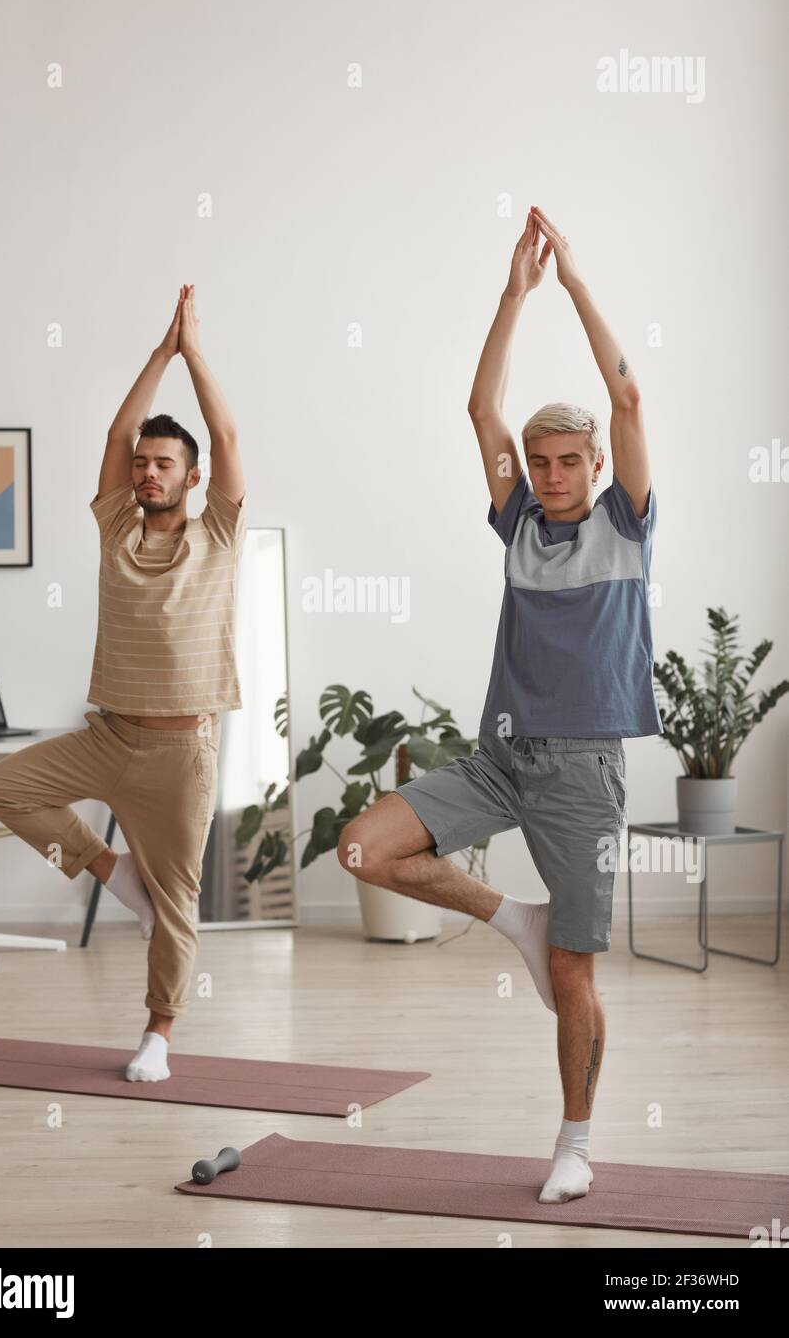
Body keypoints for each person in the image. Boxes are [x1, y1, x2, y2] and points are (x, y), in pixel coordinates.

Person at [337, 206, 661, 1203]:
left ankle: (572, 1139)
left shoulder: (625, 528)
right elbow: (480, 407)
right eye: (541, 462)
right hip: (498, 756)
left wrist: (571, 283)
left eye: (571, 461)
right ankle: (510, 920)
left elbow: (627, 392)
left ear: (596, 466)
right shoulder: (516, 520)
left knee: (573, 979)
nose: (555, 476)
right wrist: (511, 293)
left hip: (581, 770)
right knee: (363, 847)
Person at [0, 285, 247, 1083]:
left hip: (181, 752)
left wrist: (193, 352)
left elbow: (226, 431)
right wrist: (156, 352)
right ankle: (108, 870)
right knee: (2, 789)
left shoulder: (219, 536)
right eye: (143, 465)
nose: (148, 472)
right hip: (108, 737)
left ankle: (158, 1034)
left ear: (193, 479)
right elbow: (117, 429)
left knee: (177, 904)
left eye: (165, 464)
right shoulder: (115, 529)